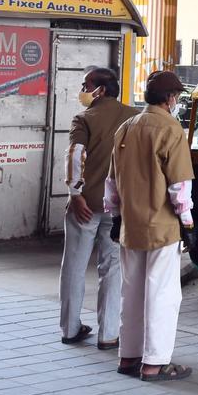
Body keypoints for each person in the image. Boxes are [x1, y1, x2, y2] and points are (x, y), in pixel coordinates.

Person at [105, 70, 195, 382]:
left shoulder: (126, 127)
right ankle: (155, 364)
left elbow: (112, 182)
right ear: (171, 98)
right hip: (162, 228)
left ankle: (128, 357)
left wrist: (116, 216)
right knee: (162, 294)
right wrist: (188, 222)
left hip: (130, 226)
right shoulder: (171, 129)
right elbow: (179, 187)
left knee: (131, 292)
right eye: (177, 96)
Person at [59, 67, 139, 349]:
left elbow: (75, 155)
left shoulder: (84, 118)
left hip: (86, 204)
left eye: (86, 84)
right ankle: (108, 334)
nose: (83, 89)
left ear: (101, 90)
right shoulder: (133, 117)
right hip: (118, 207)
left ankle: (70, 329)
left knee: (74, 266)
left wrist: (74, 193)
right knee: (113, 268)